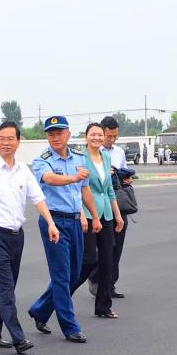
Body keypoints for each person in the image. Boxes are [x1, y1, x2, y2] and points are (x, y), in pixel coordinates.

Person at [0, 122, 59, 354]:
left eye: (10, 139)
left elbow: (38, 198)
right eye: (1, 138)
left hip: (16, 237)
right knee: (5, 288)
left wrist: (51, 223)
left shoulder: (23, 170)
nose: (5, 143)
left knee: (4, 286)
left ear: (18, 142)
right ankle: (18, 337)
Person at [26, 116, 100, 343]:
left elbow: (84, 189)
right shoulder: (42, 160)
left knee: (74, 273)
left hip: (75, 221)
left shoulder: (79, 157)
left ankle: (40, 309)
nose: (56, 137)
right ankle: (70, 326)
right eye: (51, 134)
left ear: (68, 134)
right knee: (60, 275)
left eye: (59, 133)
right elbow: (49, 179)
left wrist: (94, 216)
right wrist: (73, 177)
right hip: (54, 222)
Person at [73, 123, 125, 318]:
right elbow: (76, 189)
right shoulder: (79, 158)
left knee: (107, 260)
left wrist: (118, 215)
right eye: (92, 134)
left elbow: (109, 189)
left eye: (100, 135)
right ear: (86, 137)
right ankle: (59, 296)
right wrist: (81, 213)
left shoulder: (106, 157)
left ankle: (103, 306)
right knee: (88, 261)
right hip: (87, 214)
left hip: (106, 215)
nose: (96, 138)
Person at [88, 116, 128, 298]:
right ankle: (95, 278)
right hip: (96, 209)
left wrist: (125, 177)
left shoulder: (118, 152)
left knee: (115, 248)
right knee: (97, 251)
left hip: (116, 204)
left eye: (115, 136)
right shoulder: (89, 154)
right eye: (109, 136)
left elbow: (123, 174)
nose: (111, 140)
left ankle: (109, 284)